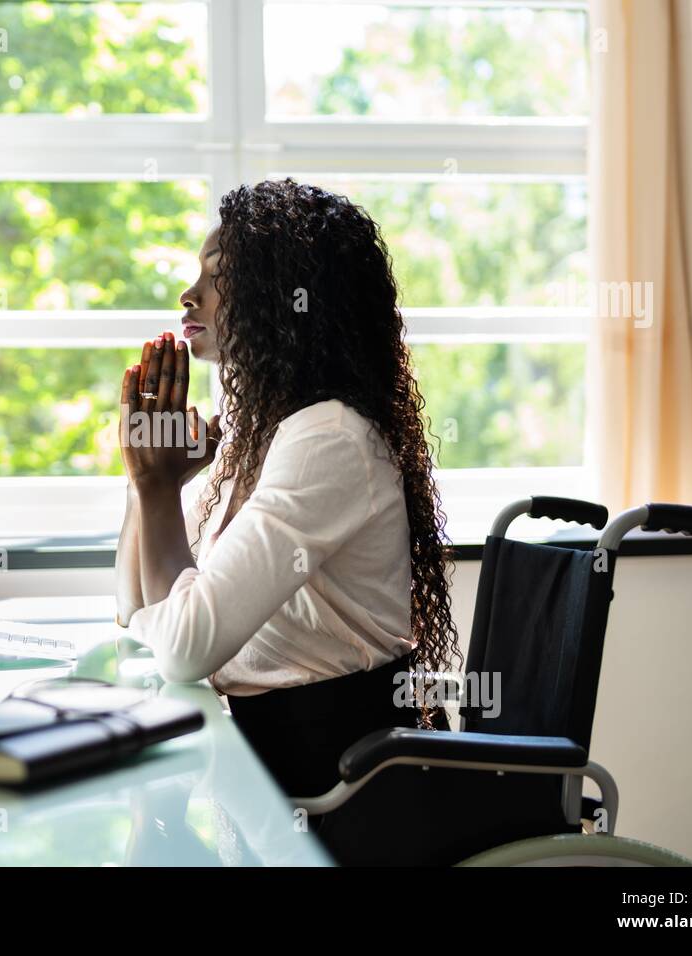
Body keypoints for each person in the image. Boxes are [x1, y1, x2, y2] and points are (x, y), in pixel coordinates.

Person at [114, 178, 459, 798]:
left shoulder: (327, 438)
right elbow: (136, 613)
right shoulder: (263, 432)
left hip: (342, 797)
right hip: (274, 781)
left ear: (284, 297)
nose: (188, 294)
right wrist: (145, 486)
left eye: (216, 276)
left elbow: (184, 646)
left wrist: (160, 489)